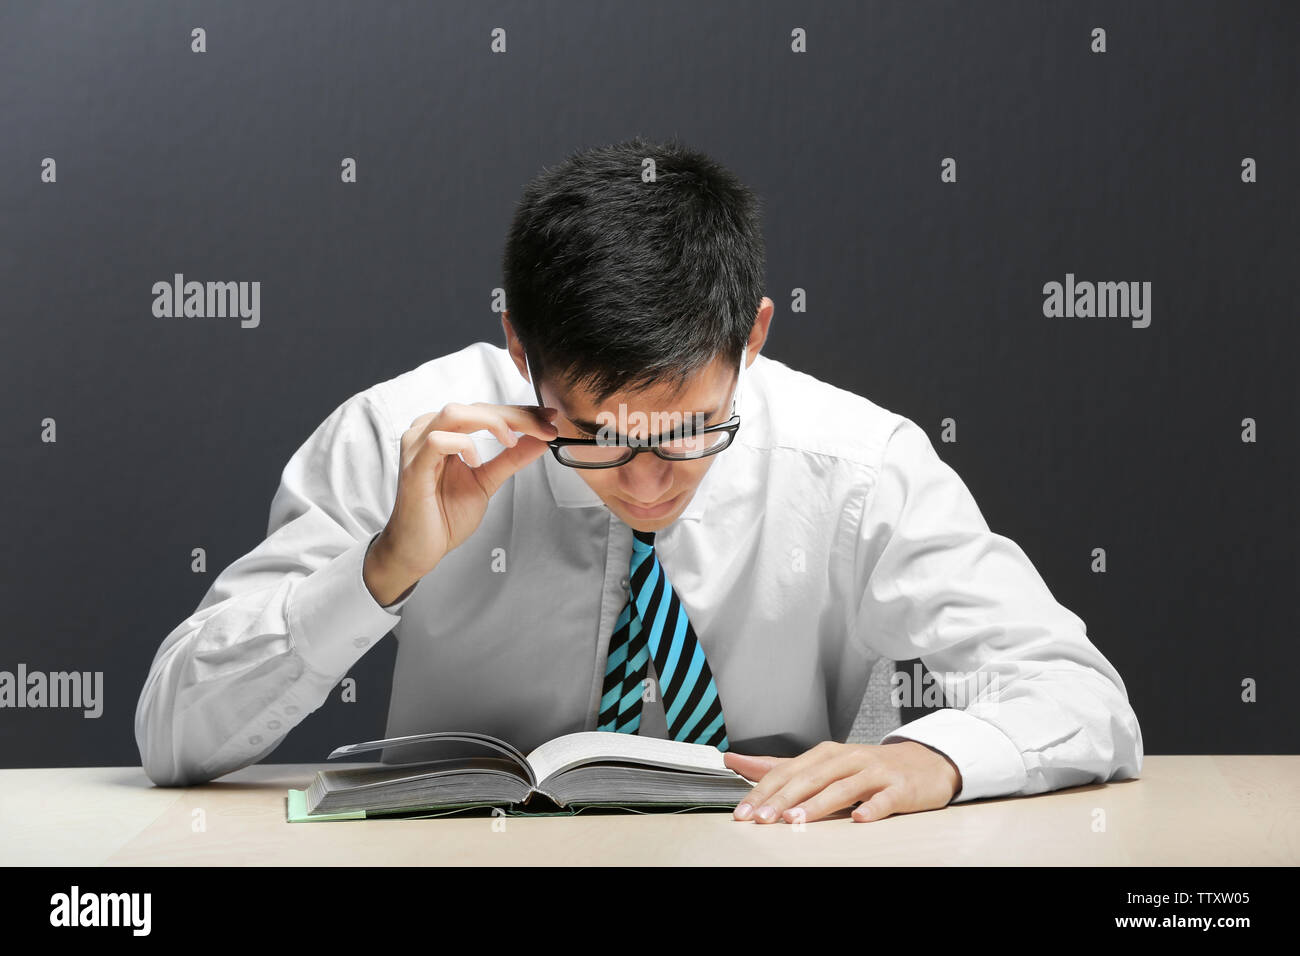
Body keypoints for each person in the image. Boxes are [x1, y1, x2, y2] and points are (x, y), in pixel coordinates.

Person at [134, 136, 1142, 824]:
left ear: (751, 337)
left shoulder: (857, 465)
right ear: (520, 351)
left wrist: (935, 759)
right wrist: (378, 570)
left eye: (693, 427)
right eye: (601, 436)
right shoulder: (402, 438)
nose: (652, 480)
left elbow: (1084, 696)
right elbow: (174, 733)